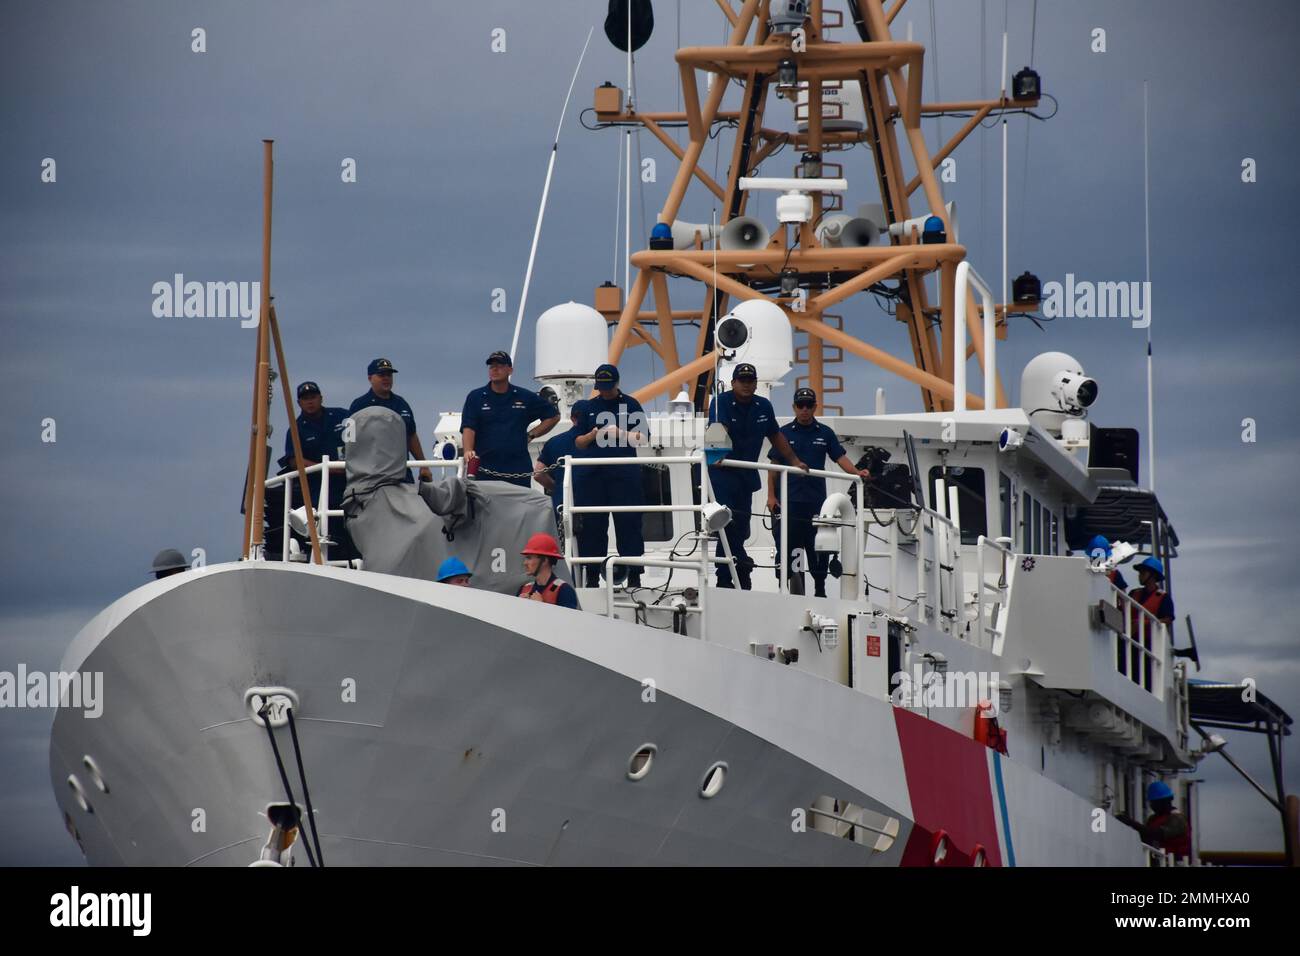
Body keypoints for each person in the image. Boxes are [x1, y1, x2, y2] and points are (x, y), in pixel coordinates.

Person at [707, 364, 807, 589]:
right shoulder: (720, 402)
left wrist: (794, 461)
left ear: (755, 382)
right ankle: (729, 575)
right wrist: (717, 450)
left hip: (746, 476)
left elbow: (775, 435)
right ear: (733, 383)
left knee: (741, 527)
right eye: (742, 380)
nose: (746, 384)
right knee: (727, 524)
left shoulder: (763, 406)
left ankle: (739, 567)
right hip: (722, 474)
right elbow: (717, 427)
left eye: (750, 380)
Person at [765, 387, 871, 597]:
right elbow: (773, 467)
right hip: (789, 502)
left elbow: (840, 458)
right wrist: (771, 496)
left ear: (815, 407)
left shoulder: (825, 433)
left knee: (819, 548)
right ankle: (785, 591)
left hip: (816, 503)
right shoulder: (783, 433)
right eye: (800, 405)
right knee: (786, 548)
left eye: (808, 405)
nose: (804, 410)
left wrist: (857, 473)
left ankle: (820, 590)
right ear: (794, 407)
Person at [574, 364, 648, 588]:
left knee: (629, 525)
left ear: (616, 384)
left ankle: (634, 576)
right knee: (594, 527)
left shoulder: (631, 404)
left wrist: (621, 434)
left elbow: (643, 438)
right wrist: (593, 435)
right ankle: (592, 576)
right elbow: (578, 443)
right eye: (601, 387)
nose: (604, 391)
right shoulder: (589, 407)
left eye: (607, 387)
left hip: (625, 476)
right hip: (595, 476)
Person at [461, 350, 559, 487]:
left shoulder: (523, 397)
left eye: (500, 365)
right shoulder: (476, 397)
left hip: (518, 470)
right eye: (491, 366)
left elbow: (553, 416)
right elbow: (469, 427)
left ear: (510, 370)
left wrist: (531, 434)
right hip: (484, 470)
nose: (495, 369)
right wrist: (467, 451)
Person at [348, 358, 432, 483]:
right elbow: (350, 439)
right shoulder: (359, 405)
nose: (386, 378)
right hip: (372, 475)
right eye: (381, 375)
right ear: (370, 378)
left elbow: (411, 435)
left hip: (401, 475)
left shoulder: (401, 404)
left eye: (389, 375)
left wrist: (423, 465)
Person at [284, 382, 349, 505]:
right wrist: (326, 468)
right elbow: (294, 461)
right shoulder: (296, 429)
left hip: (350, 483)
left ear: (321, 398)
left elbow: (362, 435)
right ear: (299, 403)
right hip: (319, 489)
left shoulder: (341, 415)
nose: (310, 402)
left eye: (313, 397)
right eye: (305, 399)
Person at [535, 401, 590, 538]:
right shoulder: (597, 442)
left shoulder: (554, 442)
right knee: (592, 552)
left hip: (561, 504)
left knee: (563, 548)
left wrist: (558, 487)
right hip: (592, 504)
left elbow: (538, 473)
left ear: (572, 418)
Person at [1128, 556, 1174, 686]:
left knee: (1145, 681)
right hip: (1130, 643)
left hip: (1150, 647)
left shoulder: (1163, 598)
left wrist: (1144, 624)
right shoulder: (1133, 593)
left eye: (1143, 572)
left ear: (1152, 575)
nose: (1139, 576)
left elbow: (1168, 619)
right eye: (1139, 573)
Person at [1117, 780, 1191, 860]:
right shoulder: (1153, 819)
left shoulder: (1178, 819)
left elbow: (1156, 834)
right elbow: (1145, 836)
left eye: (1154, 803)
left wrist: (1131, 823)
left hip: (1174, 862)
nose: (1152, 806)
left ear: (1163, 802)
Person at [517, 533, 579, 609]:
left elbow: (569, 620)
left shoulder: (564, 591)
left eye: (529, 558)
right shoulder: (523, 589)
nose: (525, 563)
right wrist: (518, 606)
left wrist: (542, 607)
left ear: (545, 561)